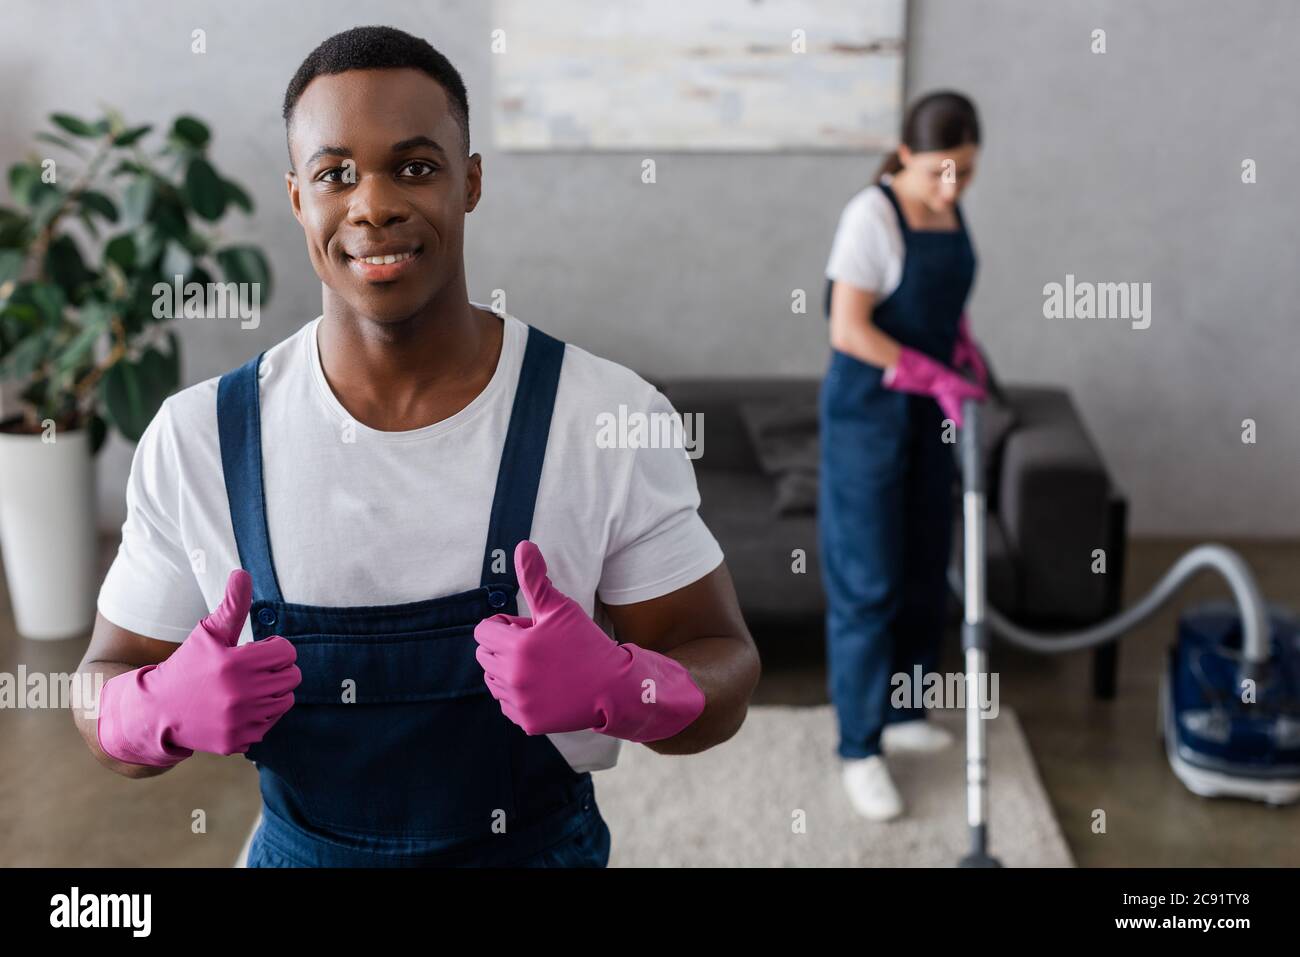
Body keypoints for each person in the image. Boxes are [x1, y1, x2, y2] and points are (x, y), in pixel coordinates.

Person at [73, 25, 760, 867]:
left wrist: (631, 688)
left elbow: (725, 663)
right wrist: (146, 712)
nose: (373, 205)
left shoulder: (606, 417)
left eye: (415, 167)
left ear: (470, 181)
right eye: (335, 174)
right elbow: (103, 678)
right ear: (297, 198)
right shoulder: (198, 439)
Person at [819, 91, 989, 821]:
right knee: (868, 582)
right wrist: (928, 371)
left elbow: (941, 304)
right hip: (868, 416)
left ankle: (904, 709)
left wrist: (963, 349)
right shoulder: (872, 215)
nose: (951, 188)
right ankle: (859, 749)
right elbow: (848, 327)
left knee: (925, 564)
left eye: (966, 172)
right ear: (906, 154)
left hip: (932, 420)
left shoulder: (948, 210)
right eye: (939, 172)